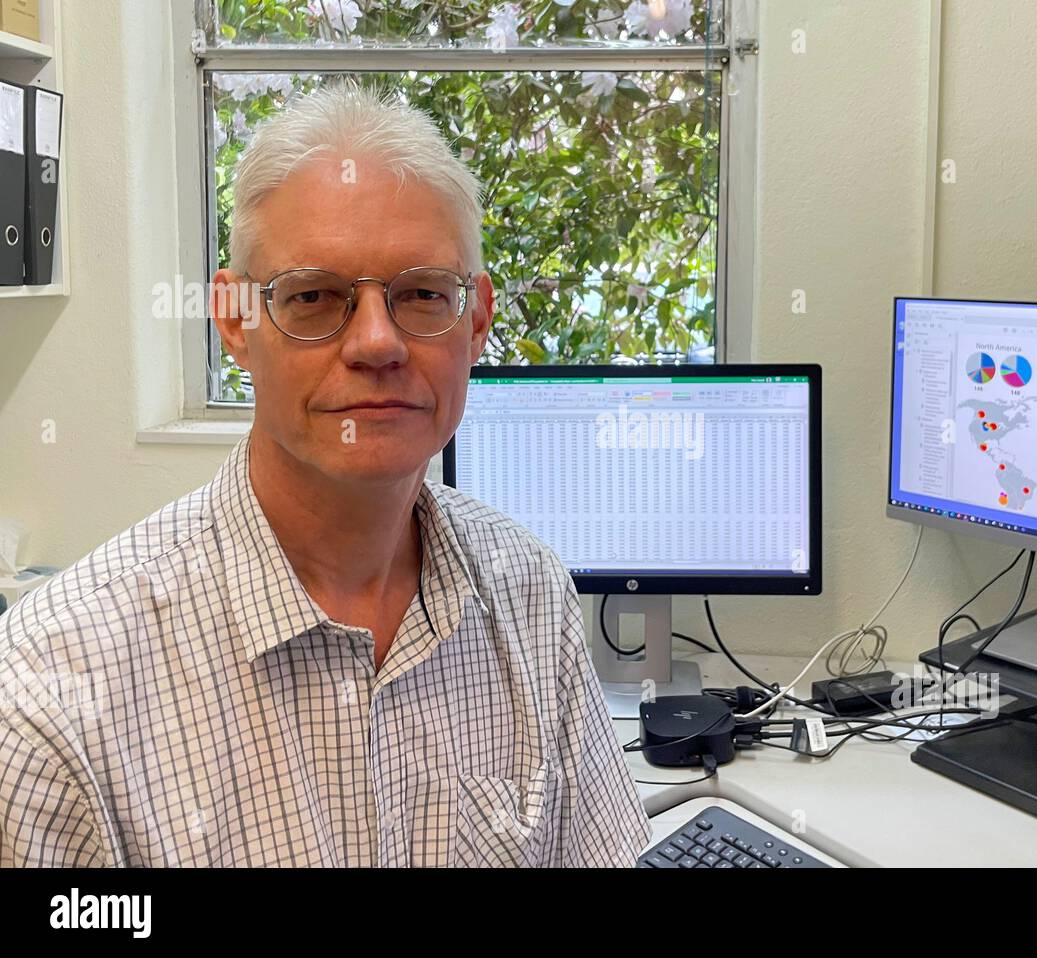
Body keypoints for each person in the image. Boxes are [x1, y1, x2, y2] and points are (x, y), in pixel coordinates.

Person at [0, 84, 650, 867]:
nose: (377, 343)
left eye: (420, 294)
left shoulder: (530, 596)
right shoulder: (54, 689)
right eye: (313, 297)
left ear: (476, 320)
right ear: (235, 321)